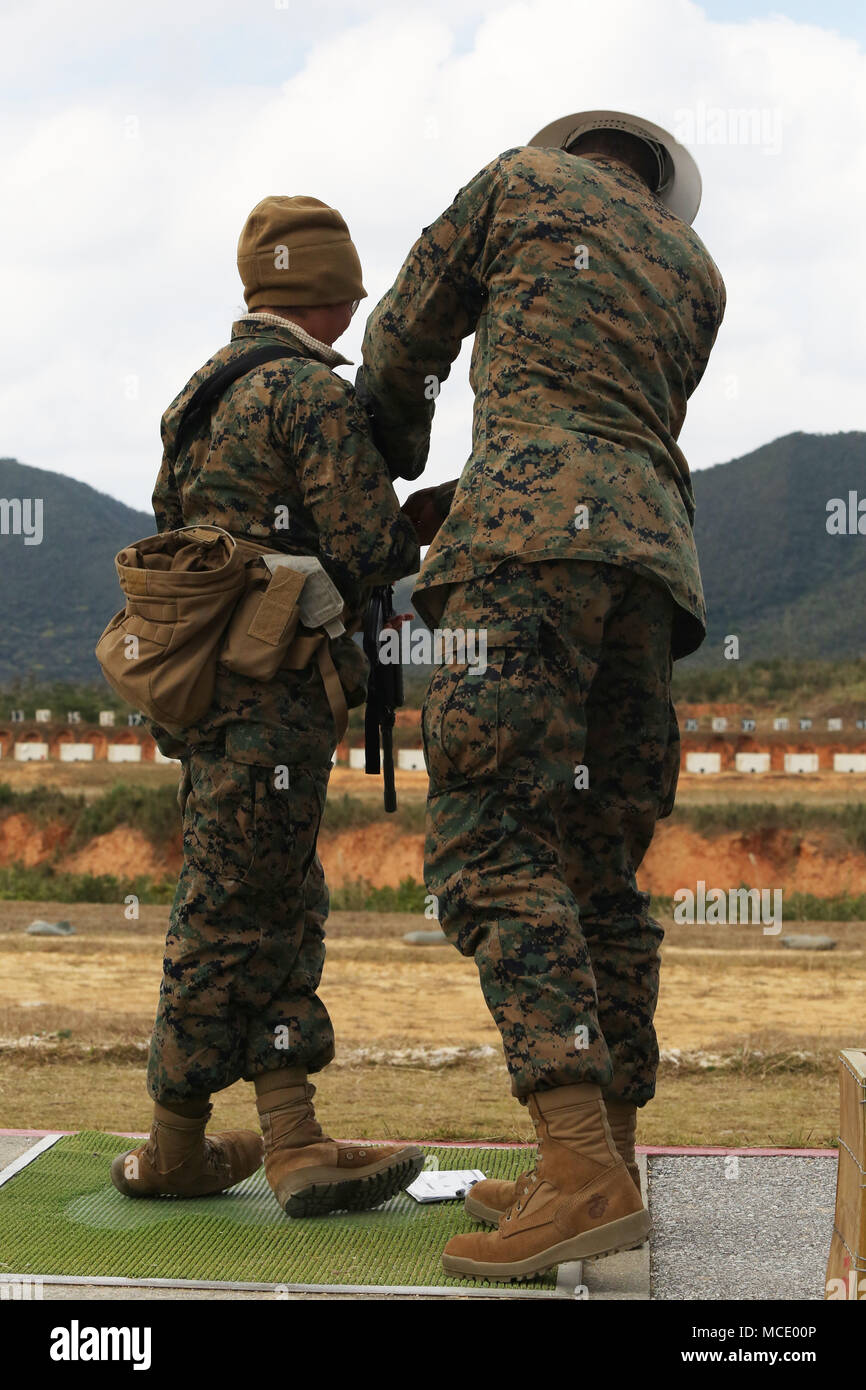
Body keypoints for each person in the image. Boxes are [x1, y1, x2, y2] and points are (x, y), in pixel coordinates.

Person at [358, 110, 726, 1279]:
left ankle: (574, 1166)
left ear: (570, 150)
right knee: (596, 866)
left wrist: (389, 462)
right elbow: (611, 420)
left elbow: (400, 334)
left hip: (521, 557)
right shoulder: (696, 271)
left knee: (491, 837)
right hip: (651, 567)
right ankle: (603, 1157)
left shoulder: (517, 182)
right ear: (660, 187)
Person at [111, 194, 423, 1218]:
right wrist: (431, 513)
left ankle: (286, 1138)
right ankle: (175, 1145)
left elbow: (179, 537)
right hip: (275, 693)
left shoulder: (198, 398)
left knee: (268, 898)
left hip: (209, 691)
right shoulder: (307, 395)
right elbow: (373, 548)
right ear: (327, 294)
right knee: (233, 909)